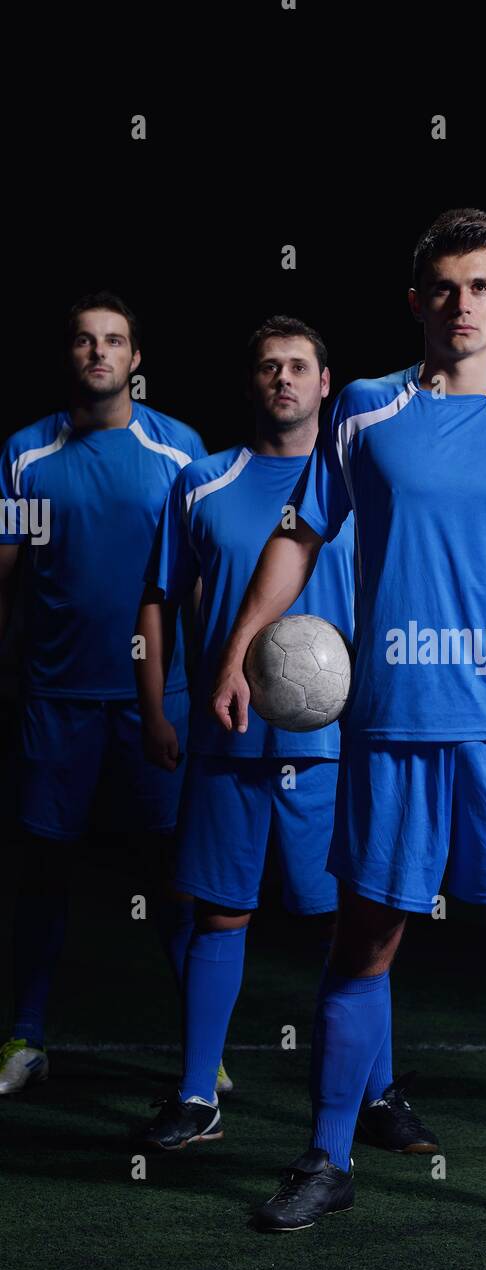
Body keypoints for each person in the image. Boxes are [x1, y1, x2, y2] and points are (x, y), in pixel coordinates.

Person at [212, 209, 486, 1238]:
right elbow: (300, 534)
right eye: (443, 287)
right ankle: (329, 1156)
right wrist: (240, 647)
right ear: (415, 301)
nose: (461, 304)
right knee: (364, 943)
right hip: (389, 729)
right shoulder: (361, 412)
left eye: (480, 286)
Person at [135, 316, 437, 1153]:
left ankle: (376, 1098)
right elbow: (158, 600)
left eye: (299, 366)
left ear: (326, 383)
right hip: (226, 740)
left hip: (337, 749)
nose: (283, 380)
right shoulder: (201, 481)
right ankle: (198, 1097)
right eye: (268, 367)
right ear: (250, 384)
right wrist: (160, 707)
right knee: (220, 916)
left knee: (352, 929)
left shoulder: (365, 481)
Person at [0, 293, 204, 1094]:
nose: (98, 353)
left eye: (113, 341)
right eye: (84, 341)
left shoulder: (180, 450)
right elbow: (6, 583)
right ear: (68, 357)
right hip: (56, 703)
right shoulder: (22, 454)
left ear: (135, 359)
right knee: (43, 871)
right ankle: (25, 1036)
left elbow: (198, 585)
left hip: (160, 703)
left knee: (176, 875)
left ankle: (202, 1048)